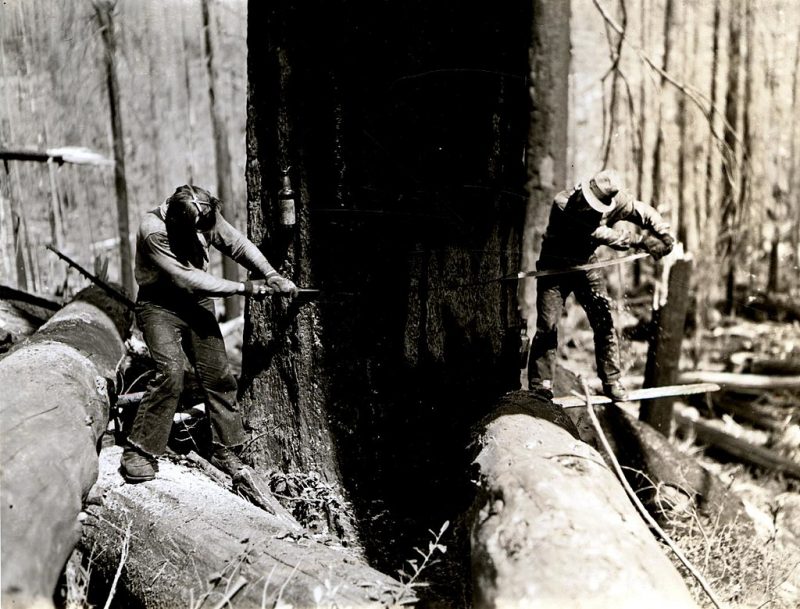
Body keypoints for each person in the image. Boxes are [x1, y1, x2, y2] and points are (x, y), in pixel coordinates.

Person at [120, 184, 298, 483]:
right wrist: (244, 288)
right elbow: (189, 278)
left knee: (219, 375)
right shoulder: (154, 230)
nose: (204, 233)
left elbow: (237, 244)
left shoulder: (203, 212)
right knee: (170, 372)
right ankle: (139, 451)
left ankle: (225, 449)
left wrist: (271, 274)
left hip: (197, 303)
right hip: (159, 306)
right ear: (177, 220)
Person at [527, 169, 674, 401]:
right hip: (553, 266)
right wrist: (643, 241)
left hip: (586, 263)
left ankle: (612, 381)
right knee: (548, 325)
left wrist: (663, 234)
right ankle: (540, 385)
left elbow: (642, 211)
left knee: (604, 321)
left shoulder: (616, 200)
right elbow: (601, 234)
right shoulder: (563, 203)